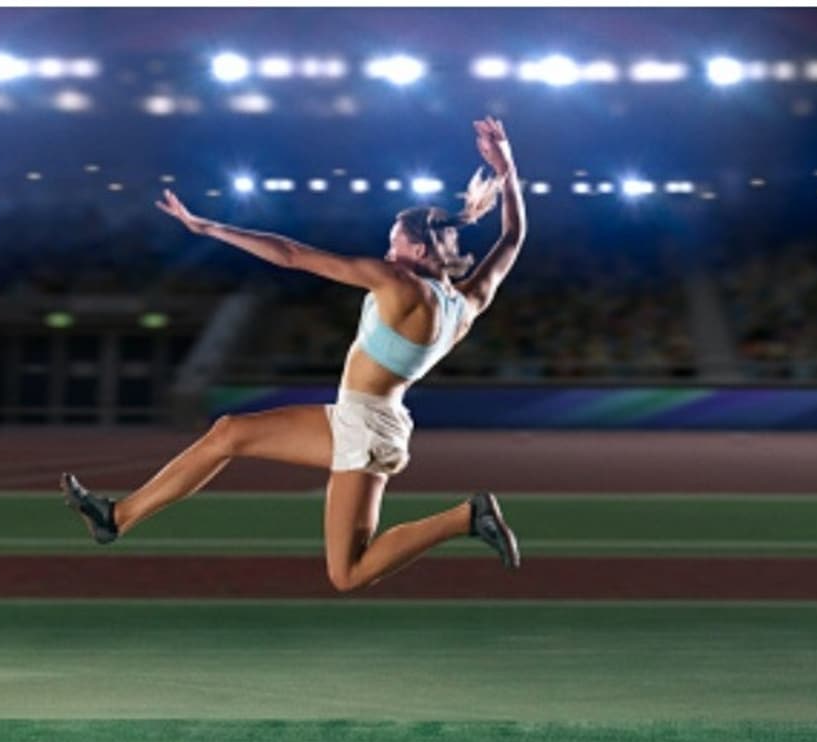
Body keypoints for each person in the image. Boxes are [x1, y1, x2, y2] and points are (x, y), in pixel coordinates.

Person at [62, 117, 524, 590]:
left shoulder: (400, 284)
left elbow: (292, 255)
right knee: (230, 434)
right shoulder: (468, 302)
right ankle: (115, 516)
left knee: (347, 572)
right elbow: (512, 239)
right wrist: (506, 169)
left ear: (422, 250)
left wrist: (208, 227)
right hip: (374, 421)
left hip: (363, 423)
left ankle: (466, 518)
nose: (386, 255)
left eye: (394, 245)